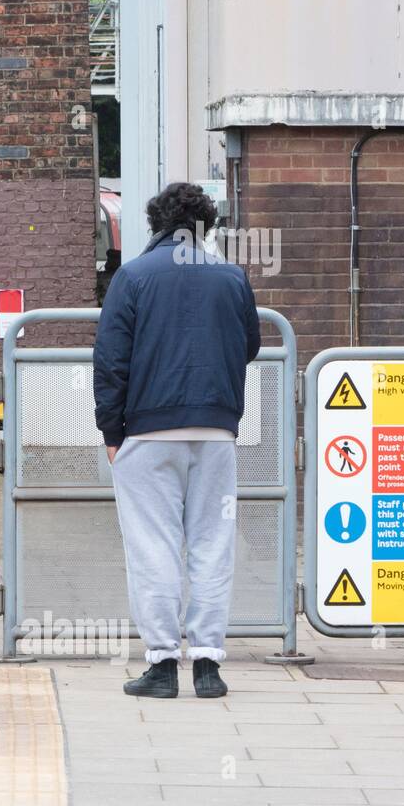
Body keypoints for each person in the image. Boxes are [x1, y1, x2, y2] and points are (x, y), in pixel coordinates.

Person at [93, 182, 260, 699]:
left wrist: (111, 432)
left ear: (157, 224)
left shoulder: (133, 276)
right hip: (215, 431)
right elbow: (249, 346)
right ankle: (208, 666)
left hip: (147, 431)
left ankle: (162, 666)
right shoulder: (232, 278)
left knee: (153, 546)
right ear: (205, 226)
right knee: (213, 543)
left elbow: (110, 361)